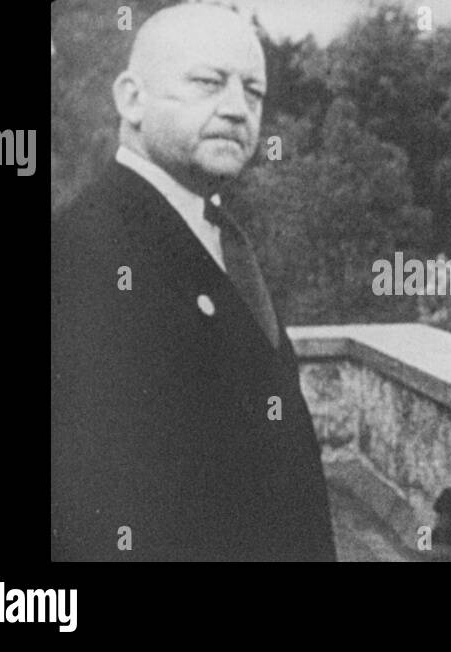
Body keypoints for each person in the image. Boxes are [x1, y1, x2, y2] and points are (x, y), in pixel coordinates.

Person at [51, 3, 336, 561]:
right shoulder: (83, 249)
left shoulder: (220, 231)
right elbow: (96, 507)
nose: (236, 109)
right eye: (208, 83)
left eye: (253, 92)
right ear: (131, 99)